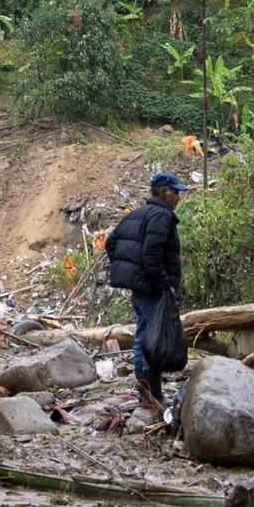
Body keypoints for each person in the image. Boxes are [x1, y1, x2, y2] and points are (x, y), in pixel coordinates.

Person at [106, 172, 188, 406]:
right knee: (152, 337)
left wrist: (133, 272)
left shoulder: (137, 214)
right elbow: (151, 255)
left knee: (144, 332)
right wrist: (164, 285)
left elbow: (112, 243)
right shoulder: (162, 216)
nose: (178, 198)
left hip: (142, 286)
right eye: (175, 193)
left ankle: (145, 387)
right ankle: (153, 391)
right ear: (163, 193)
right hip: (154, 288)